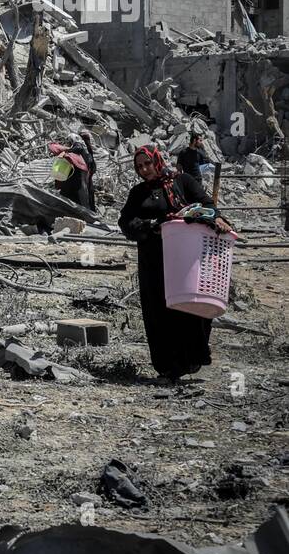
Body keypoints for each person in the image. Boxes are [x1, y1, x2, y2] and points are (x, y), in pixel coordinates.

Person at [118, 144, 233, 383]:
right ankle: (168, 368)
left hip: (186, 256)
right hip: (154, 260)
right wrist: (151, 226)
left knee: (190, 303)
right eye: (139, 166)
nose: (145, 170)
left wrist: (218, 219)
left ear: (157, 161)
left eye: (148, 164)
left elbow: (206, 205)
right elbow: (126, 222)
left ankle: (192, 358)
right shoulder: (138, 193)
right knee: (159, 309)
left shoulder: (183, 181)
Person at [48, 134, 94, 210]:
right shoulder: (87, 150)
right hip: (80, 177)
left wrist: (66, 151)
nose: (67, 143)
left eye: (68, 141)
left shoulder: (78, 145)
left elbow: (78, 149)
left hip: (78, 178)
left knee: (76, 197)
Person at [78, 129, 98, 212]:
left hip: (85, 175)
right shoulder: (87, 149)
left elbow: (89, 162)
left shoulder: (85, 149)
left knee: (86, 193)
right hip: (87, 175)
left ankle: (88, 211)